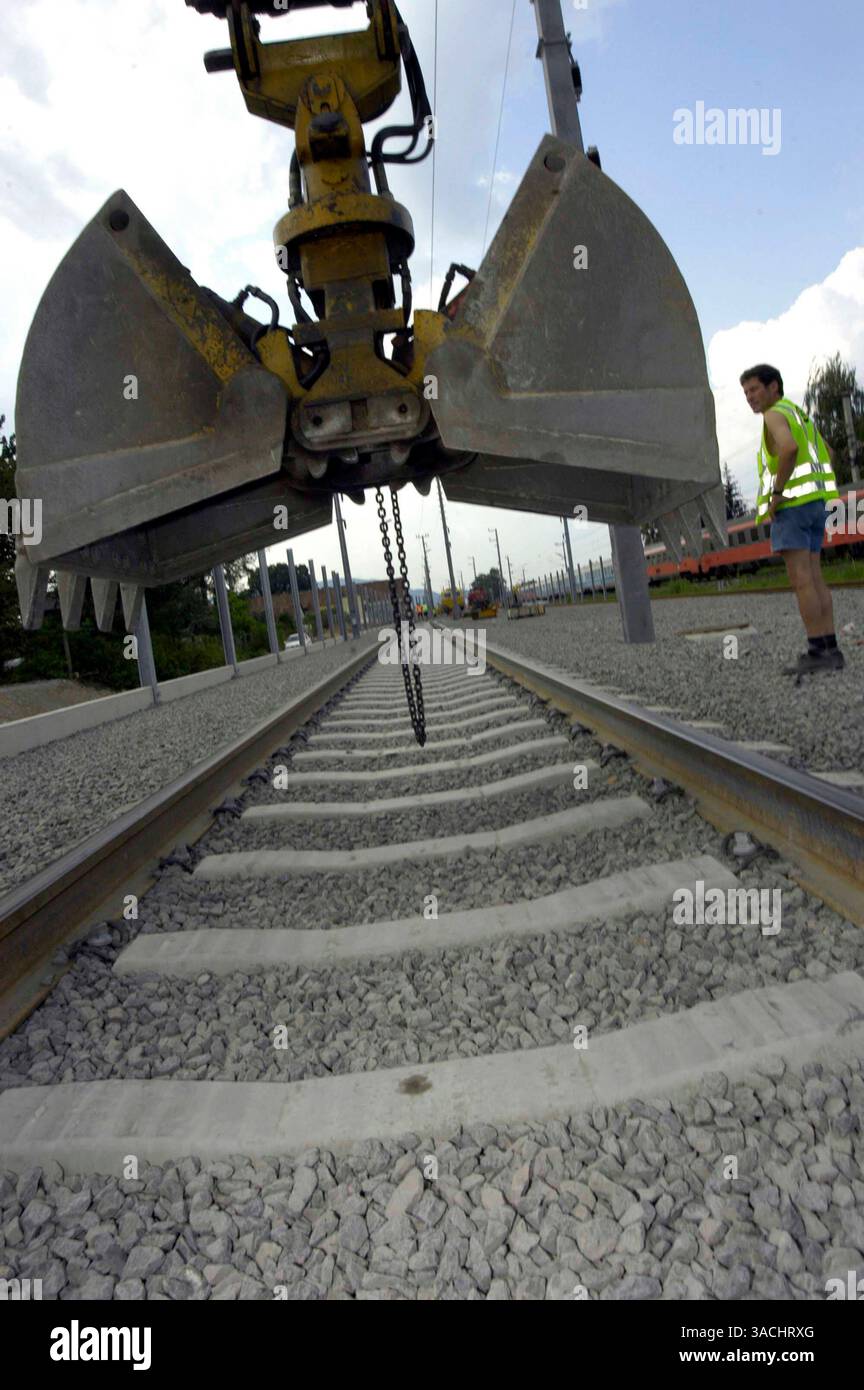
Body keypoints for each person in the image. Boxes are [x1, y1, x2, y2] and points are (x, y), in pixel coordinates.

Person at [740, 363, 843, 676]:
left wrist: (777, 493)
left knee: (801, 581)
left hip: (794, 507)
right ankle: (832, 649)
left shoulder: (774, 415)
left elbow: (788, 449)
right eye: (745, 392)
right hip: (816, 504)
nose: (749, 397)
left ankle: (816, 650)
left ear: (774, 387)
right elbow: (827, 451)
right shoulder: (800, 415)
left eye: (754, 389)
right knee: (815, 577)